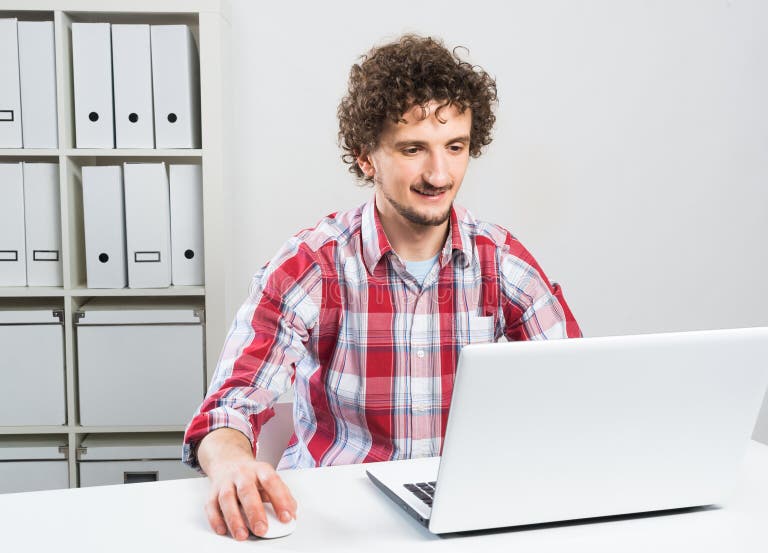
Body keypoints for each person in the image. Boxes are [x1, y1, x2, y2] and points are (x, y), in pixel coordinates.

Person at [182, 34, 582, 541]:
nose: (440, 173)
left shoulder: (501, 261)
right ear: (367, 157)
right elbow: (229, 405)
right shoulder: (313, 266)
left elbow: (575, 387)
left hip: (462, 510)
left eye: (455, 147)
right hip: (336, 515)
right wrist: (232, 462)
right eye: (413, 149)